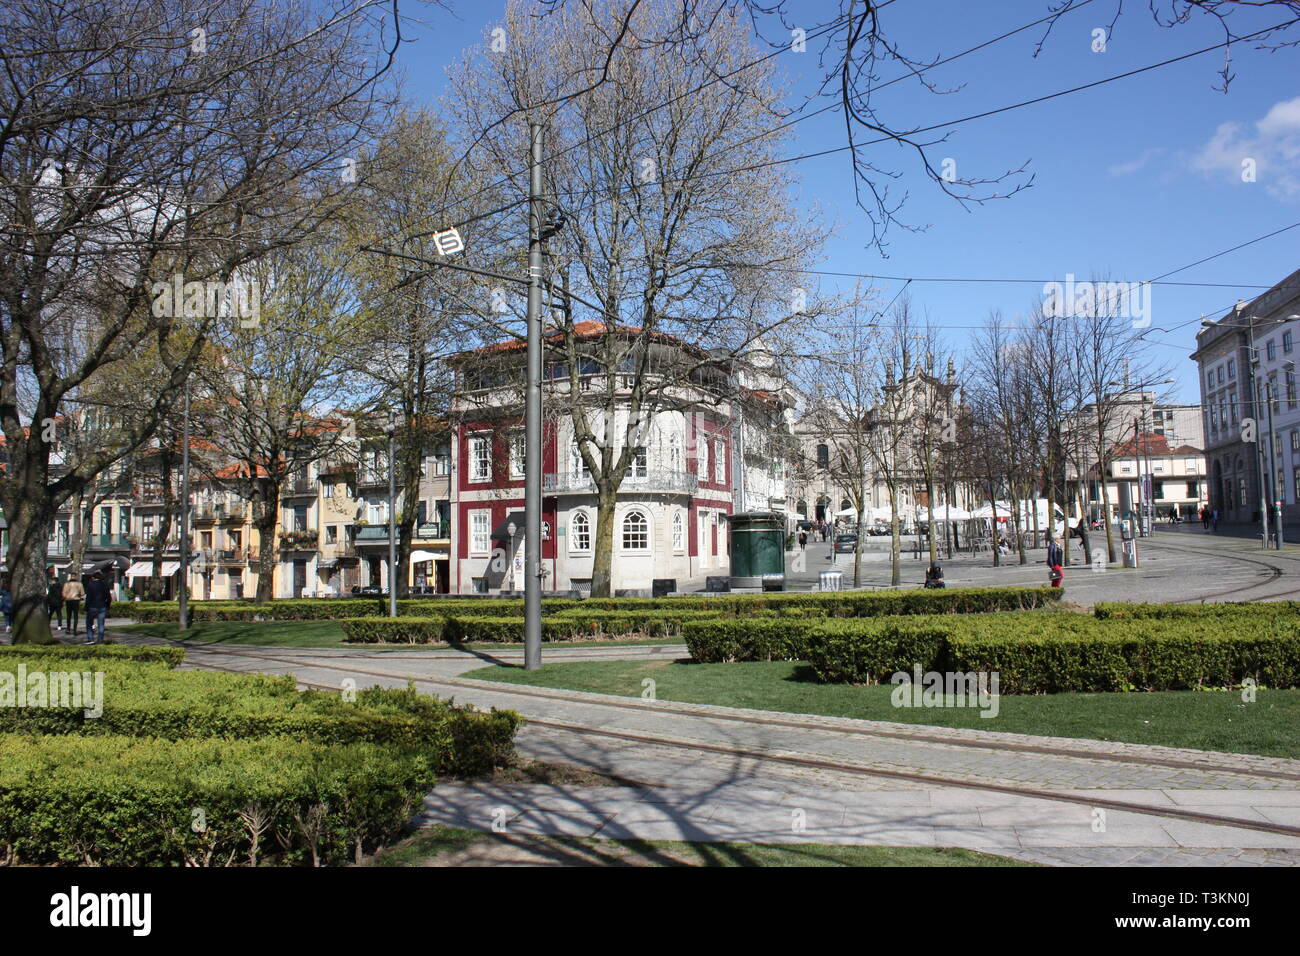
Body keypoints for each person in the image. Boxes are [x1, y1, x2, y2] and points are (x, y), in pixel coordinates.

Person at [84, 571, 112, 645]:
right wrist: (107, 605)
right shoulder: (105, 585)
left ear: (93, 578)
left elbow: (88, 597)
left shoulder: (91, 585)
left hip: (92, 606)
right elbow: (109, 597)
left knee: (89, 623)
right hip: (102, 606)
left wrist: (86, 607)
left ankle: (90, 638)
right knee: (101, 624)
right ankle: (100, 639)